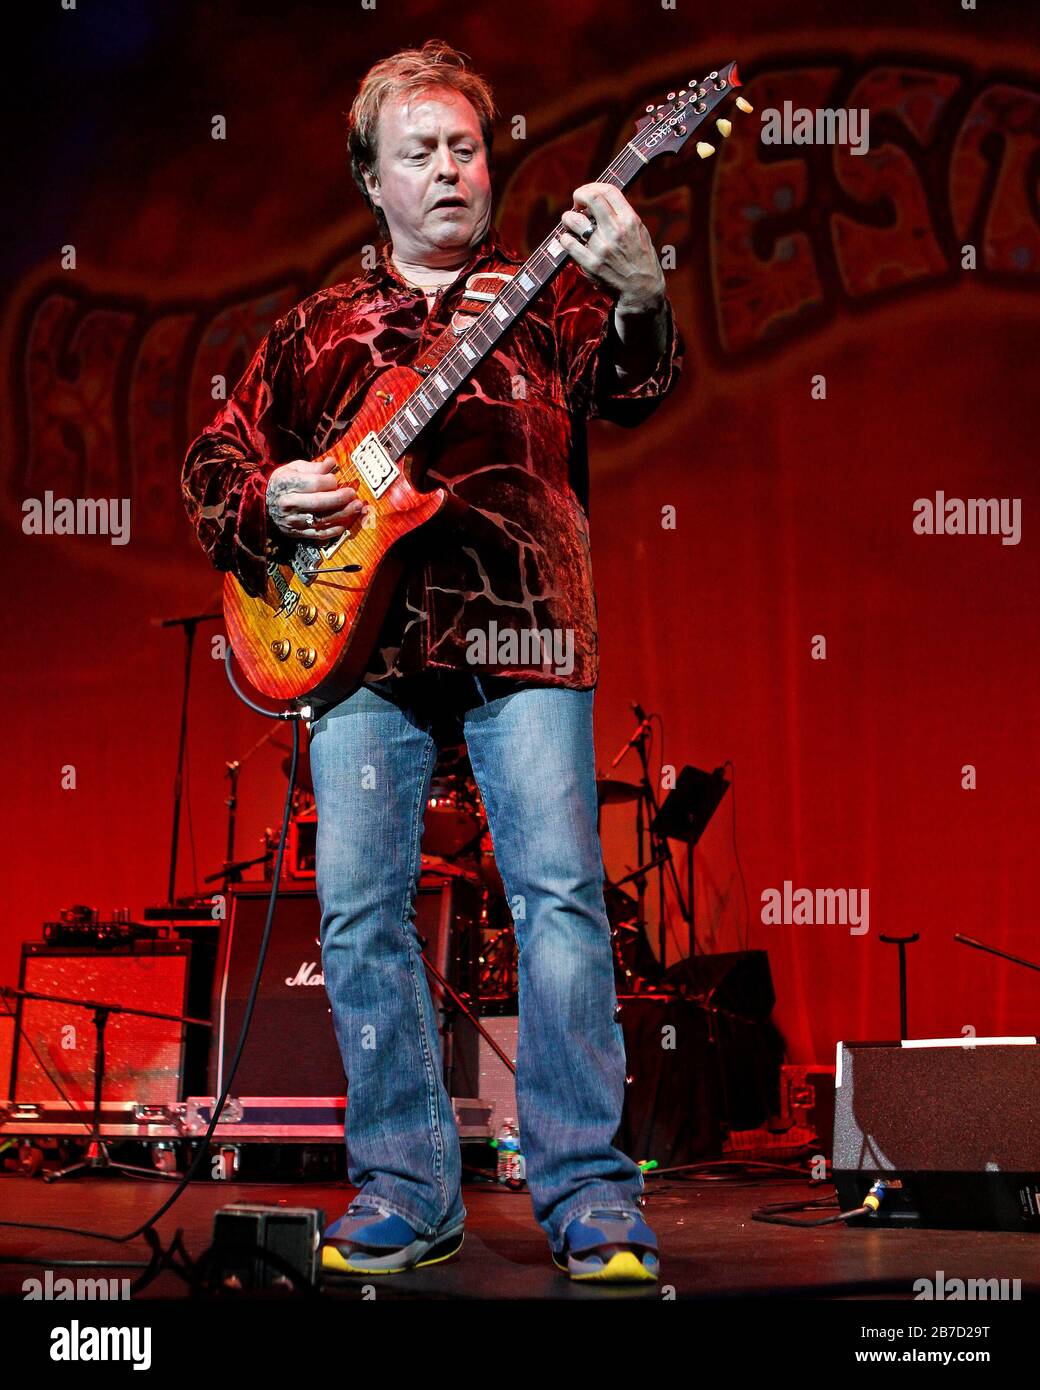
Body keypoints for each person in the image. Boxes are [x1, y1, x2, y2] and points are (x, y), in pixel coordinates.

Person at [182, 39, 683, 1283]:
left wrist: (639, 291)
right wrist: (272, 496)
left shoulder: (550, 290)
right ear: (373, 179)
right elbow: (211, 467)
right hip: (359, 653)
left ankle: (588, 1193)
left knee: (560, 906)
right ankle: (407, 1186)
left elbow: (638, 383)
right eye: (421, 151)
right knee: (357, 918)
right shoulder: (315, 328)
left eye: (466, 146)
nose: (452, 168)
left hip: (522, 626)